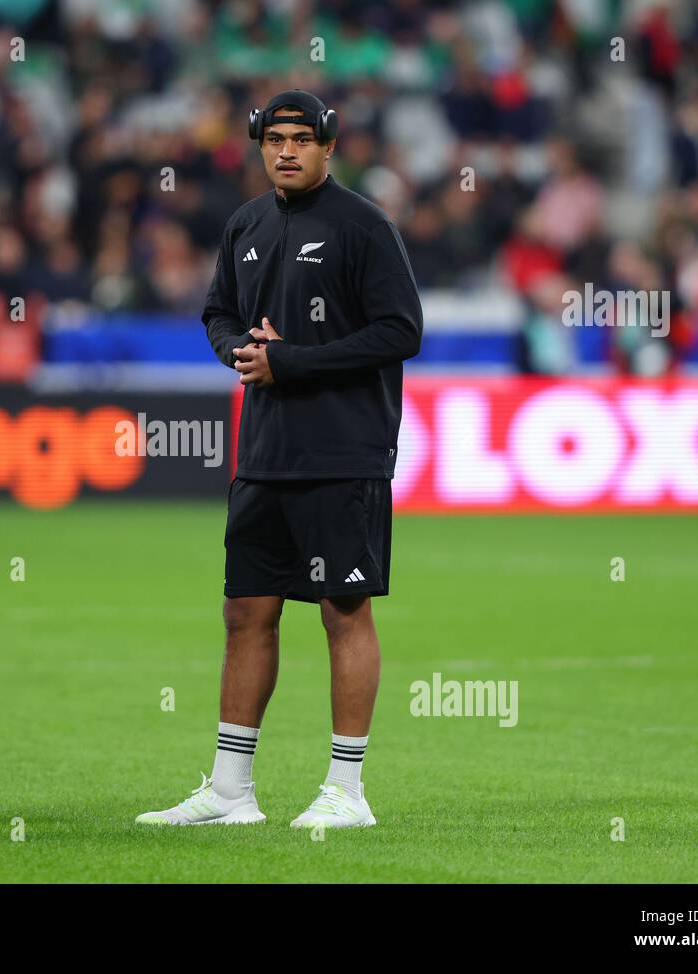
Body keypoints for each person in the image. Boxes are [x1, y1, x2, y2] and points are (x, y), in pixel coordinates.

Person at [136, 90, 423, 829]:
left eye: (301, 139)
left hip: (342, 453)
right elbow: (217, 310)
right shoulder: (247, 224)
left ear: (330, 146)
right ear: (258, 146)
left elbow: (401, 331)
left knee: (343, 612)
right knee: (246, 611)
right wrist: (238, 348)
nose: (286, 151)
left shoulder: (364, 227)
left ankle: (348, 792)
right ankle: (232, 791)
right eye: (274, 139)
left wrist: (292, 361)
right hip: (264, 453)